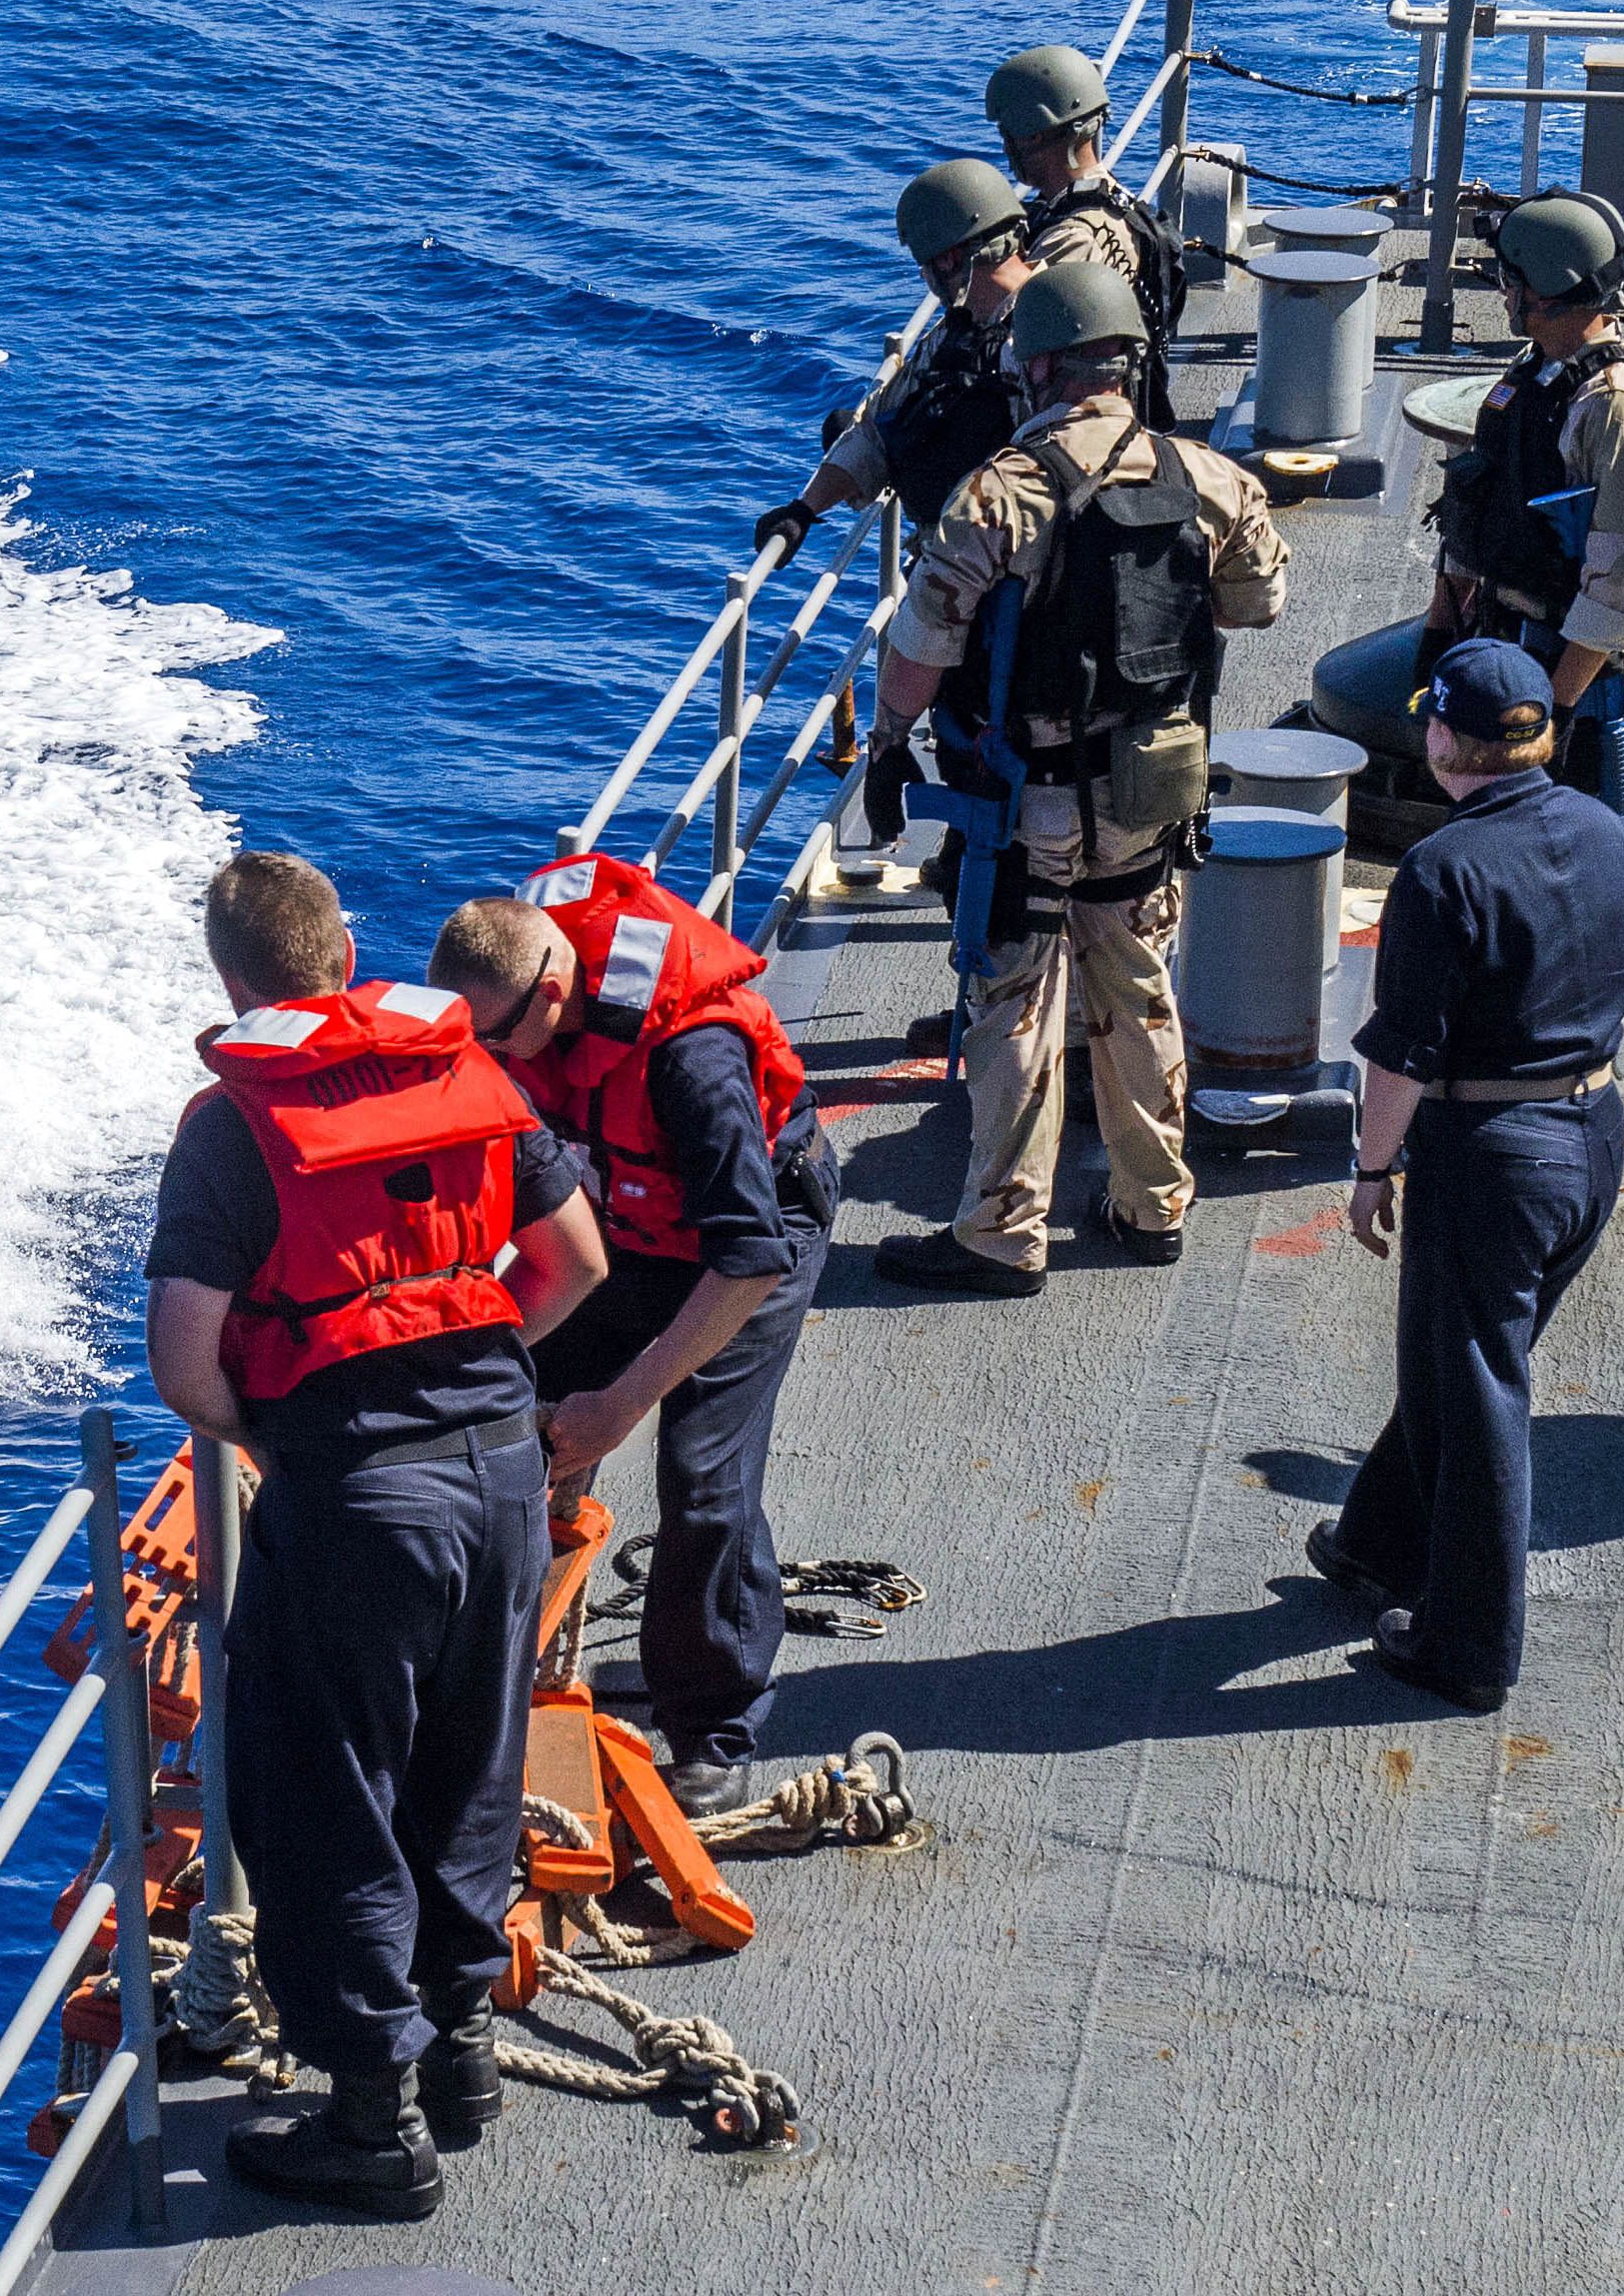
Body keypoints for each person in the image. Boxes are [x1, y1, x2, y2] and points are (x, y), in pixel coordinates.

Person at [144, 852, 607, 2218]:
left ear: (233, 981)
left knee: (322, 1798)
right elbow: (576, 1258)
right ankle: (460, 2060)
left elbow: (183, 1361)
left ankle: (372, 2121)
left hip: (357, 1501)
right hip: (501, 1474)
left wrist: (287, 1433)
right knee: (470, 1770)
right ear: (347, 953)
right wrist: (474, 1372)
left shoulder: (232, 1125)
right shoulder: (470, 1077)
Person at [861, 263, 1290, 1296]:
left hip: (1031, 797)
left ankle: (1004, 1232)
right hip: (1153, 788)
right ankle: (1154, 1206)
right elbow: (1257, 604)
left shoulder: (1001, 494)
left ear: (1042, 362)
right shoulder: (1211, 479)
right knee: (1138, 985)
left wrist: (886, 745)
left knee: (1014, 996)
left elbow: (923, 644)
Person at [430, 859, 838, 1815]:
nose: (484, 1057)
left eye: (489, 1038)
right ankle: (496, 1666)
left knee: (704, 1472)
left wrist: (620, 1403)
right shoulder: (527, 1023)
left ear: (553, 993)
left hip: (743, 1244)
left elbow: (752, 1258)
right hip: (624, 1220)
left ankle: (713, 1723)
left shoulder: (691, 1059)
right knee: (507, 1410)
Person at [1307, 642, 1624, 1713]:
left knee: (1480, 1384)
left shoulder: (1444, 869)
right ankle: (1379, 1538)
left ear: (1446, 739)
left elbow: (1404, 1050)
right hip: (1592, 1132)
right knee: (1457, 1355)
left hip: (1493, 1157)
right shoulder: (1614, 834)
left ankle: (1467, 1644)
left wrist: (1372, 1167)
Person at [1426, 193, 1624, 816]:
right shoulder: (1535, 374)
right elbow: (1479, 500)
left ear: (1548, 290)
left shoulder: (1616, 406)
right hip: (1505, 640)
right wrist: (1440, 631)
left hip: (1566, 667)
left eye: (1510, 281)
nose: (1504, 295)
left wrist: (1555, 711)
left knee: (1573, 843)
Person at [754, 159, 1037, 566]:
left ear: (949, 260)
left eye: (926, 264)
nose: (925, 277)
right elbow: (877, 430)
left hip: (1010, 572)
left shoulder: (1041, 339)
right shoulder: (956, 333)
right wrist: (803, 511)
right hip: (951, 565)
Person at [987, 43, 1188, 429]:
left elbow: (1020, 354)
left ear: (1033, 136)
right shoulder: (1123, 205)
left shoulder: (1073, 236)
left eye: (1009, 134)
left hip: (1076, 423)